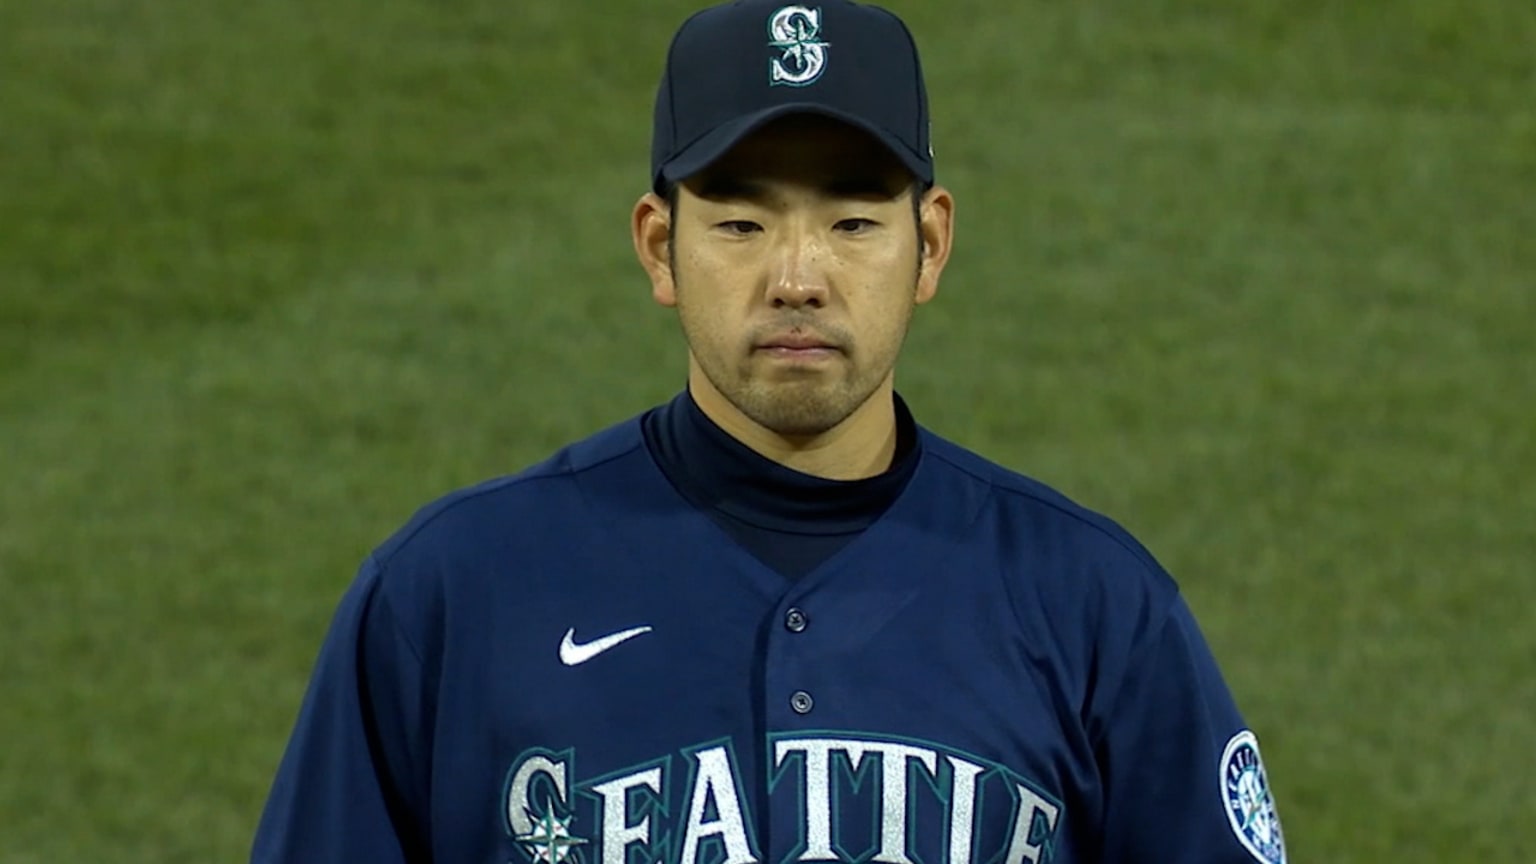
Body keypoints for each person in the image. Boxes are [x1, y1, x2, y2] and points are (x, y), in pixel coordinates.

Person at [251, 2, 1286, 863]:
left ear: (929, 247)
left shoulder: (1094, 608)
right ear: (660, 247)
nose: (797, 277)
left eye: (853, 221)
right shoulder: (451, 595)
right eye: (741, 223)